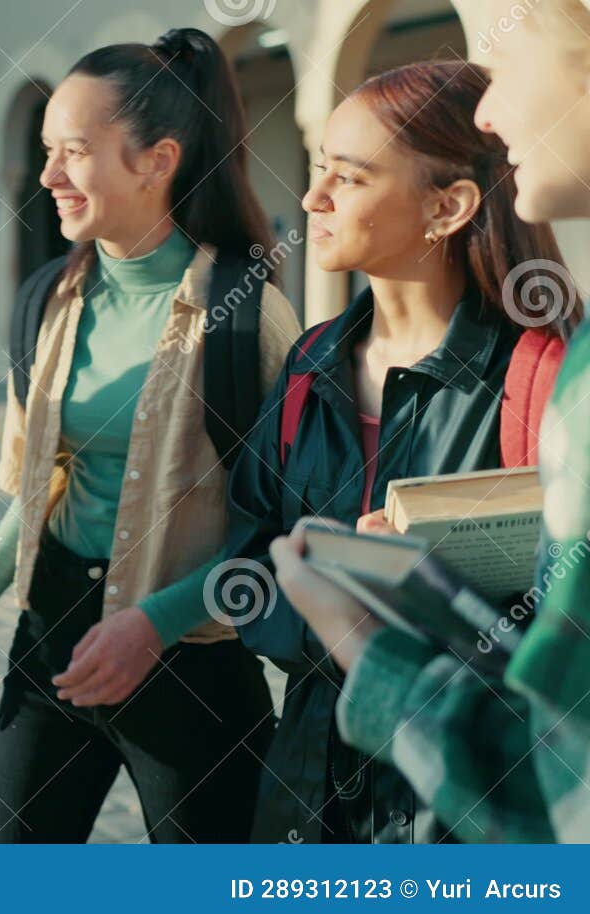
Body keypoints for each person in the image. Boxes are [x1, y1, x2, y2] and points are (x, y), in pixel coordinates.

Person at [0, 27, 299, 844]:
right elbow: (37, 488)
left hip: (192, 661)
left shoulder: (247, 316)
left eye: (72, 151)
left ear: (157, 159)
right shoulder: (47, 303)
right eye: (45, 151)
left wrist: (154, 623)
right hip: (53, 638)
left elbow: (282, 529)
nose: (48, 176)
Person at [225, 58, 579, 843]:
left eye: (347, 179)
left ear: (447, 207)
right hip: (305, 801)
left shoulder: (546, 383)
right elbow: (241, 555)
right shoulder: (307, 365)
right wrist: (327, 608)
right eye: (320, 173)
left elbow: (567, 642)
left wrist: (412, 595)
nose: (313, 199)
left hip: (464, 810)